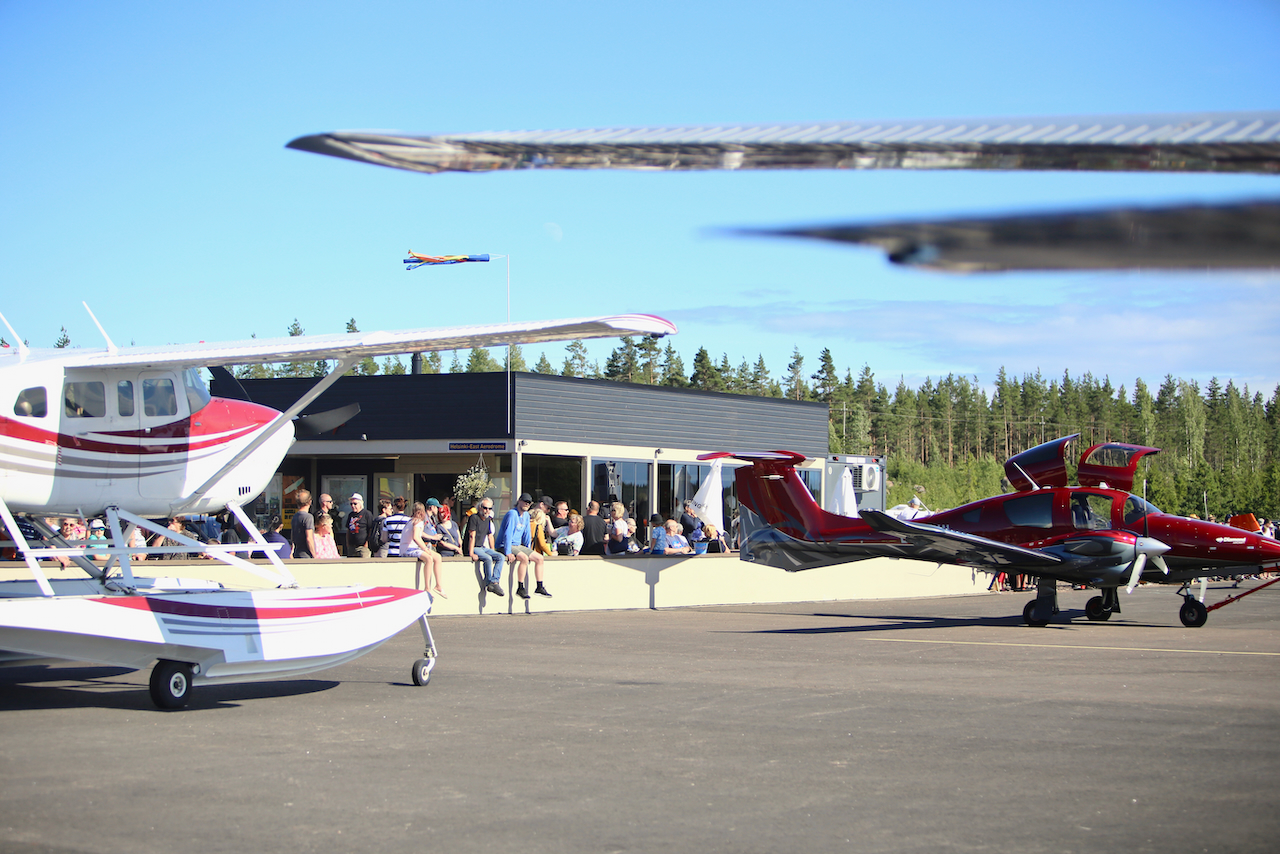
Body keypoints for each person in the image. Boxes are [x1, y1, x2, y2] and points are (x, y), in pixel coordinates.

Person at [497, 493, 550, 599]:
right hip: (505, 544)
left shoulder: (526, 515)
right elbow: (508, 534)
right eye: (525, 501)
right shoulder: (512, 514)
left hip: (517, 545)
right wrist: (508, 552)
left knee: (539, 558)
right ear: (519, 501)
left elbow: (527, 534)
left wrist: (528, 550)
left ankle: (539, 586)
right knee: (524, 558)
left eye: (529, 503)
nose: (526, 504)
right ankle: (520, 587)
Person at [403, 501, 446, 597]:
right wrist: (425, 549)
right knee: (429, 558)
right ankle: (427, 588)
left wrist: (432, 538)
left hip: (412, 547)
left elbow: (420, 533)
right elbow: (416, 537)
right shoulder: (417, 522)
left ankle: (438, 585)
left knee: (438, 557)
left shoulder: (413, 521)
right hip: (409, 548)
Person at [465, 499, 505, 596]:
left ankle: (495, 582)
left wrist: (492, 550)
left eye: (489, 508)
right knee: (488, 558)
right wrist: (471, 553)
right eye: (485, 508)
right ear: (480, 508)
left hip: (482, 547)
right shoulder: (474, 518)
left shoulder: (487, 520)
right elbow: (472, 536)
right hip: (474, 547)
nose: (487, 510)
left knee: (500, 557)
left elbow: (490, 536)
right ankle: (489, 583)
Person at [345, 493, 376, 558]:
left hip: (362, 547)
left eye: (355, 504)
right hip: (352, 546)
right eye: (351, 504)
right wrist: (347, 544)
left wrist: (367, 543)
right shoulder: (351, 515)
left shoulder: (367, 514)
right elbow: (348, 529)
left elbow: (370, 529)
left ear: (360, 504)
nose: (353, 506)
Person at [290, 489, 316, 559]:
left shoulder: (295, 516)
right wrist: (314, 555)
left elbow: (292, 536)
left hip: (297, 553)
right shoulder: (308, 517)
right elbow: (309, 538)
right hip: (306, 555)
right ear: (310, 502)